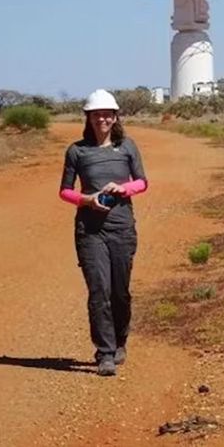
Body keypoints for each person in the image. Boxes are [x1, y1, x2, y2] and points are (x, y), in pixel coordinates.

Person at [58, 89, 149, 377]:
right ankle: (105, 353)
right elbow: (65, 191)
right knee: (99, 290)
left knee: (119, 292)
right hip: (89, 230)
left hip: (121, 228)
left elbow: (142, 182)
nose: (102, 119)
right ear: (88, 117)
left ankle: (120, 342)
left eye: (107, 114)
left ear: (115, 117)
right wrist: (87, 200)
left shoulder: (127, 147)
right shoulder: (77, 151)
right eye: (96, 115)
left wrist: (123, 188)